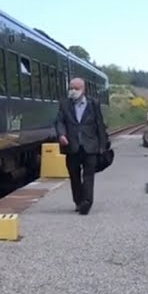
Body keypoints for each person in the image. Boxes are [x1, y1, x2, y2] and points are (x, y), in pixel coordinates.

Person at [53, 77, 109, 215]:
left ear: (83, 89)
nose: (73, 91)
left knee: (89, 175)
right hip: (72, 146)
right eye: (71, 88)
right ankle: (78, 201)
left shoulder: (93, 103)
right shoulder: (64, 104)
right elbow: (59, 122)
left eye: (76, 88)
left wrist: (102, 146)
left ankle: (87, 203)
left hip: (90, 146)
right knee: (74, 176)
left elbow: (99, 125)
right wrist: (61, 135)